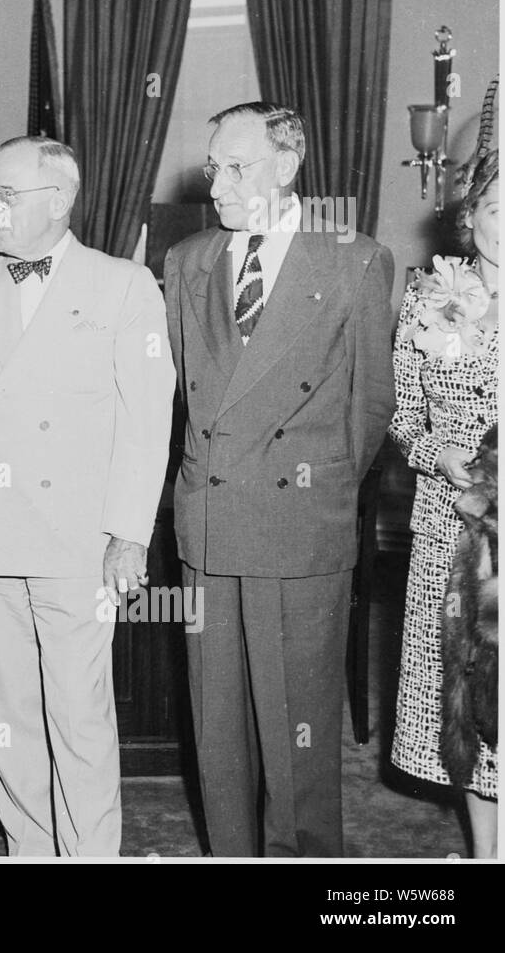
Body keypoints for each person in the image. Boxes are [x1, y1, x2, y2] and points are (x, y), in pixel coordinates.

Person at [0, 135, 174, 856]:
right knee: (6, 715)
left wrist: (130, 533)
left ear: (58, 201)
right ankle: (30, 848)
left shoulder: (123, 284)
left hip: (78, 541)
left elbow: (147, 420)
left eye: (4, 195)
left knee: (78, 714)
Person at [163, 101, 395, 857]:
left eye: (239, 167)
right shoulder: (188, 260)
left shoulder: (353, 259)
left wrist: (316, 492)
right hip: (209, 527)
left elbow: (368, 410)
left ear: (288, 166)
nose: (218, 185)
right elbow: (184, 397)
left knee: (298, 741)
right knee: (217, 734)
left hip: (299, 531)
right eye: (213, 168)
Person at [389, 133, 498, 859]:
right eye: (496, 205)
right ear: (471, 215)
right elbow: (400, 417)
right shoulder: (428, 300)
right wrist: (439, 454)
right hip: (444, 534)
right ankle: (486, 853)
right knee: (465, 703)